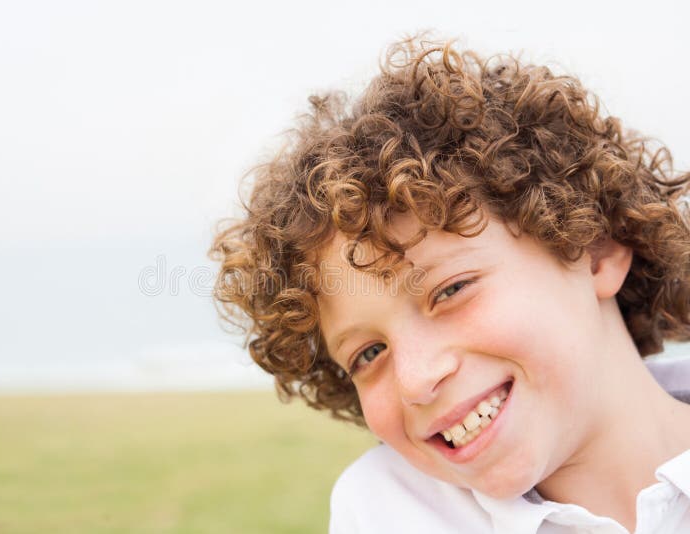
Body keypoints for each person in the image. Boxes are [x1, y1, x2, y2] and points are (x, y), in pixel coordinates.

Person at [210, 35, 690, 533]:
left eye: (450, 290)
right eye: (369, 354)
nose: (416, 380)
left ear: (596, 249)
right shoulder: (386, 512)